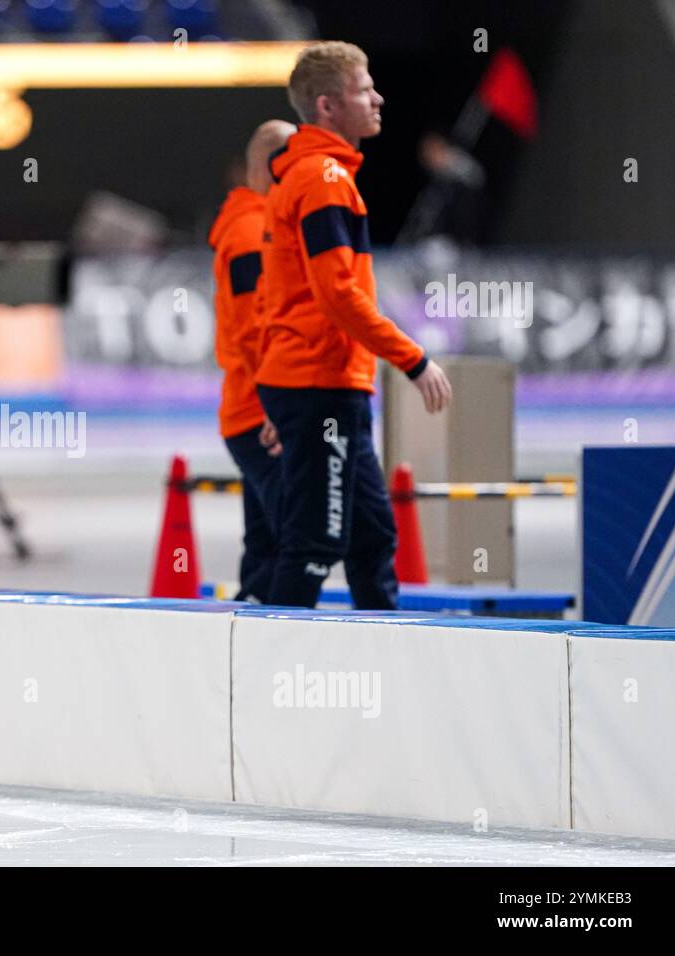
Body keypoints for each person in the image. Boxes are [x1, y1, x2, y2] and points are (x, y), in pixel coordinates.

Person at [255, 42, 452, 610]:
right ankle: (273, 668)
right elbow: (338, 296)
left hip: (313, 383)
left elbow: (279, 295)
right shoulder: (322, 179)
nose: (378, 98)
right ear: (326, 106)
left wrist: (278, 385)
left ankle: (381, 657)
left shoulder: (307, 176)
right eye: (365, 89)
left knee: (371, 535)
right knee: (317, 541)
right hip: (320, 383)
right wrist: (412, 359)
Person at [208, 120, 295, 601]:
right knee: (292, 542)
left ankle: (255, 640)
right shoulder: (250, 233)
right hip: (260, 413)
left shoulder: (257, 224)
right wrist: (278, 406)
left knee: (267, 547)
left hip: (255, 408)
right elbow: (252, 328)